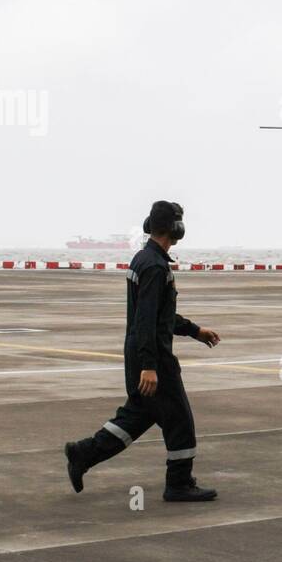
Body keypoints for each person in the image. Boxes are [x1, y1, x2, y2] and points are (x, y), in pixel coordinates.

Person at [64, 200, 221, 501]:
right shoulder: (154, 266)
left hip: (140, 353)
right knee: (180, 420)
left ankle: (82, 454)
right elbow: (147, 320)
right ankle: (178, 484)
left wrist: (195, 331)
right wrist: (150, 366)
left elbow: (158, 316)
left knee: (136, 417)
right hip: (154, 359)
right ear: (174, 228)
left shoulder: (144, 260)